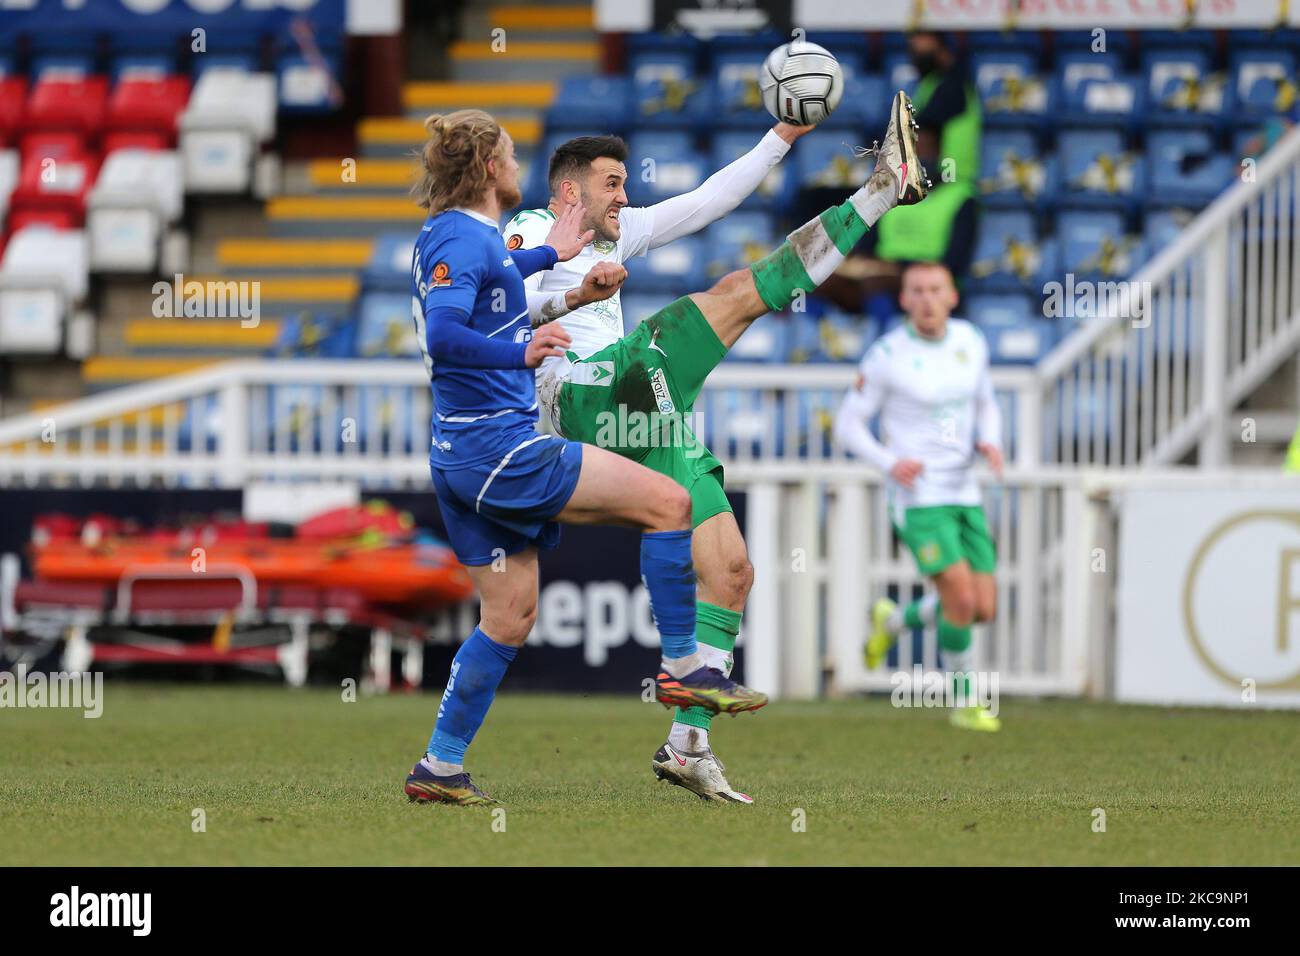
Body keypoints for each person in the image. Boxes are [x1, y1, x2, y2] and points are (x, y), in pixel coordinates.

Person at [402, 109, 768, 806]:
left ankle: (440, 766)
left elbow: (495, 292)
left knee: (508, 616)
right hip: (498, 447)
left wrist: (568, 288)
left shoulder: (466, 238)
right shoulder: (461, 233)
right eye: (507, 154)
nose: (516, 163)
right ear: (486, 168)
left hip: (460, 453)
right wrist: (522, 350)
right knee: (670, 503)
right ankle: (684, 668)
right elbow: (449, 335)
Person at [501, 121, 810, 803]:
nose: (625, 193)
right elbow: (501, 301)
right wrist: (573, 295)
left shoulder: (617, 234)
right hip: (580, 397)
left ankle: (688, 745)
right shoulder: (530, 229)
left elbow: (708, 201)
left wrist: (779, 137)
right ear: (568, 190)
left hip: (632, 409)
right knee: (669, 340)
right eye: (612, 182)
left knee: (731, 572)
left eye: (626, 181)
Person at [833, 261, 1004, 732]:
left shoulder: (971, 340)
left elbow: (986, 401)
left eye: (936, 289)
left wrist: (991, 440)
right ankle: (967, 703)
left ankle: (894, 621)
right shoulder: (887, 354)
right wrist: (891, 462)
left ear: (952, 296)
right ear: (904, 300)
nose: (927, 299)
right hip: (918, 496)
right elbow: (848, 424)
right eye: (917, 291)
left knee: (983, 608)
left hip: (964, 492)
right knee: (962, 601)